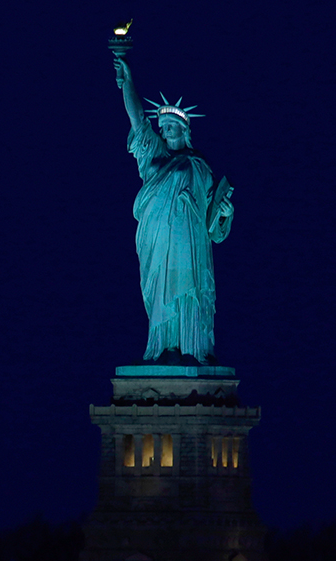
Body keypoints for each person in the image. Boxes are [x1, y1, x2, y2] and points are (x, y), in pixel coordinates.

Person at [115, 56, 233, 364]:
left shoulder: (199, 166)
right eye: (162, 127)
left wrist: (225, 212)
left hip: (190, 241)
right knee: (162, 287)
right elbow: (138, 121)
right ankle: (163, 344)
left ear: (184, 129)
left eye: (171, 126)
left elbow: (213, 225)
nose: (165, 131)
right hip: (158, 238)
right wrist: (128, 81)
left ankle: (193, 346)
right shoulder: (154, 154)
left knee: (188, 288)